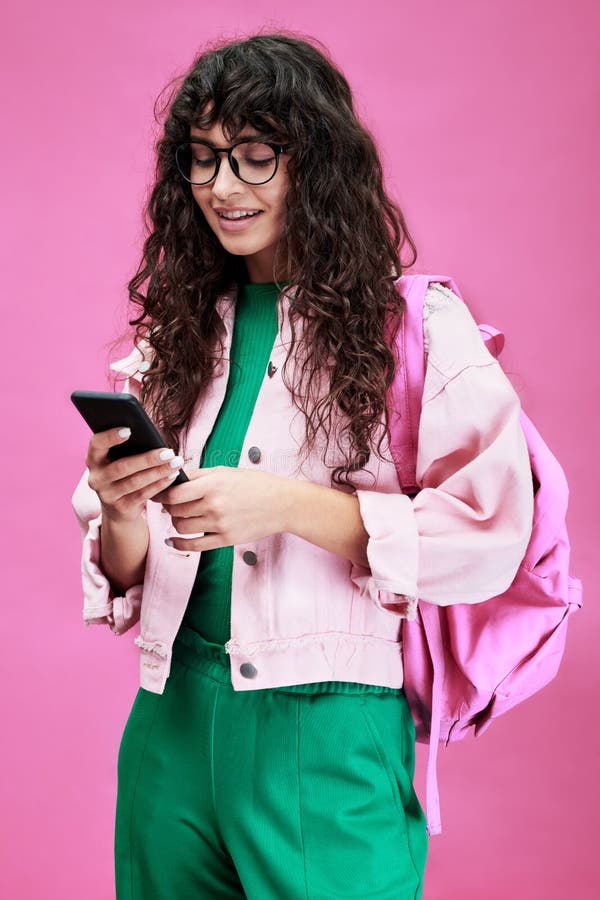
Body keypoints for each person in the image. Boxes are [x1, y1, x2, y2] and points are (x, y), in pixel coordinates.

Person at [71, 31, 534, 900]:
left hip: (325, 728)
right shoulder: (176, 336)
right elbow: (123, 571)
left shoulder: (416, 330)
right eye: (203, 161)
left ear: (314, 163)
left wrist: (284, 504)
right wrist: (121, 508)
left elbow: (490, 536)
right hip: (169, 728)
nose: (222, 187)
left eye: (254, 158)